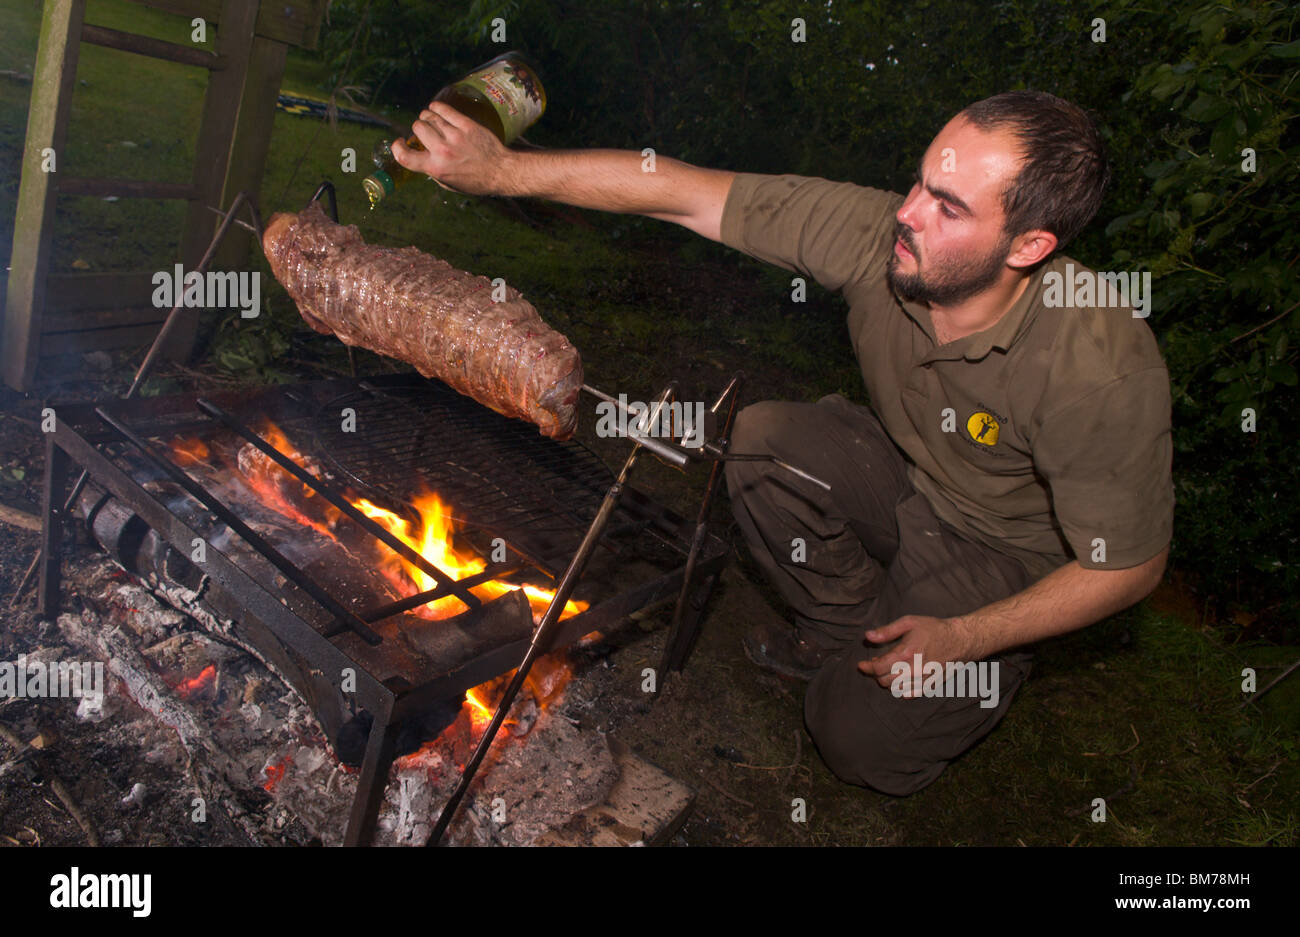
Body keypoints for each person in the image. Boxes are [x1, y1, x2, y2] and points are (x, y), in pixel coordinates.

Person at [392, 89, 1173, 795]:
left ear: (1029, 247)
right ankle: (845, 635)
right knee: (764, 442)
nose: (907, 213)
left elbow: (1130, 567)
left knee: (854, 739)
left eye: (948, 207)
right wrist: (500, 171)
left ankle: (962, 662)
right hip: (904, 478)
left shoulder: (1096, 362)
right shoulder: (885, 237)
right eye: (918, 182)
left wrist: (970, 635)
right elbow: (685, 191)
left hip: (1000, 557)